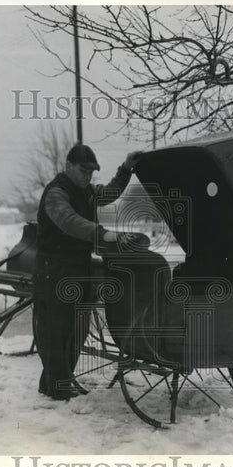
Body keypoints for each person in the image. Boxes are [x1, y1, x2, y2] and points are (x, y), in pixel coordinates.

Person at [33, 144, 142, 400]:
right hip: (54, 269)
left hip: (76, 266)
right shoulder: (57, 193)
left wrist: (126, 168)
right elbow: (70, 221)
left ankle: (52, 383)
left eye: (91, 173)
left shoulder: (86, 191)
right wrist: (102, 233)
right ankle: (57, 389)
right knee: (56, 329)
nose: (88, 177)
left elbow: (110, 192)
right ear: (68, 166)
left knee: (73, 328)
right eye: (83, 171)